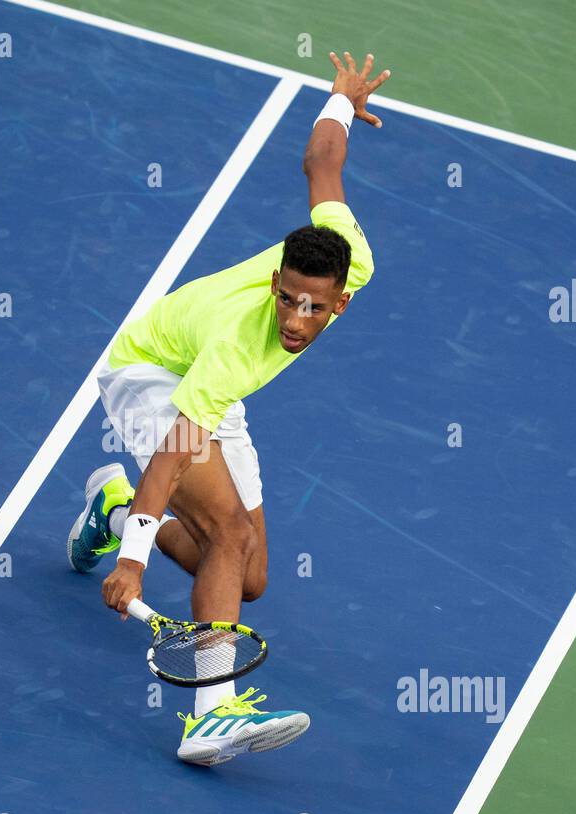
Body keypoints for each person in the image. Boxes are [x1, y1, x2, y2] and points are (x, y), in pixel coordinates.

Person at [68, 52, 390, 766]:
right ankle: (210, 714)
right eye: (287, 300)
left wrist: (340, 99)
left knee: (247, 577)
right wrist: (133, 562)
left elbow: (322, 165)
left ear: (342, 295)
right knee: (228, 534)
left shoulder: (351, 255)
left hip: (210, 392)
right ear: (274, 282)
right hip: (151, 373)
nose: (297, 322)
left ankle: (112, 505)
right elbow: (174, 448)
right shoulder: (236, 346)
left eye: (315, 307)